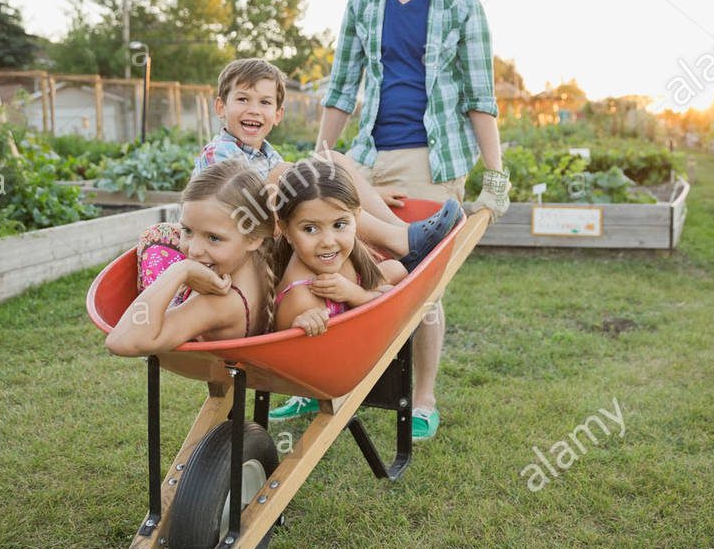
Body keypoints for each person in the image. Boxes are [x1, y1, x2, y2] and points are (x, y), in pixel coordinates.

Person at [303, 0, 511, 441]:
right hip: (369, 158)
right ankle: (321, 385)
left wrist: (494, 173)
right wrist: (324, 159)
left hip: (431, 160)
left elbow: (479, 95)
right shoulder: (364, 2)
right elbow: (343, 86)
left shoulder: (460, 4)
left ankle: (421, 398)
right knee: (332, 263)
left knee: (421, 286)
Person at [193, 58, 462, 278]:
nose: (253, 109)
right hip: (241, 242)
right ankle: (404, 242)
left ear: (277, 115)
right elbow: (243, 210)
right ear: (220, 107)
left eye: (264, 102)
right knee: (302, 174)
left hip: (268, 234)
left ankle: (405, 233)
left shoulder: (267, 154)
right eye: (242, 99)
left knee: (329, 159)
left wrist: (364, 194)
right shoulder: (220, 151)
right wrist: (291, 178)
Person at [105, 160, 275, 356]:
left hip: (162, 324)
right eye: (188, 230)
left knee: (155, 235)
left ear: (253, 239)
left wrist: (181, 271)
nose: (193, 251)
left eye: (214, 237)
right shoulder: (261, 251)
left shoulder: (219, 304)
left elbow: (120, 341)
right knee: (162, 232)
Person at [272, 162, 407, 337]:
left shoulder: (341, 255)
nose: (328, 241)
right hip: (335, 355)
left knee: (396, 269)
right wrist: (363, 297)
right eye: (310, 229)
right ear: (286, 230)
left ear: (356, 218)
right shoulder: (302, 299)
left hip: (356, 334)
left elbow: (398, 281)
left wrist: (357, 295)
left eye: (339, 225)